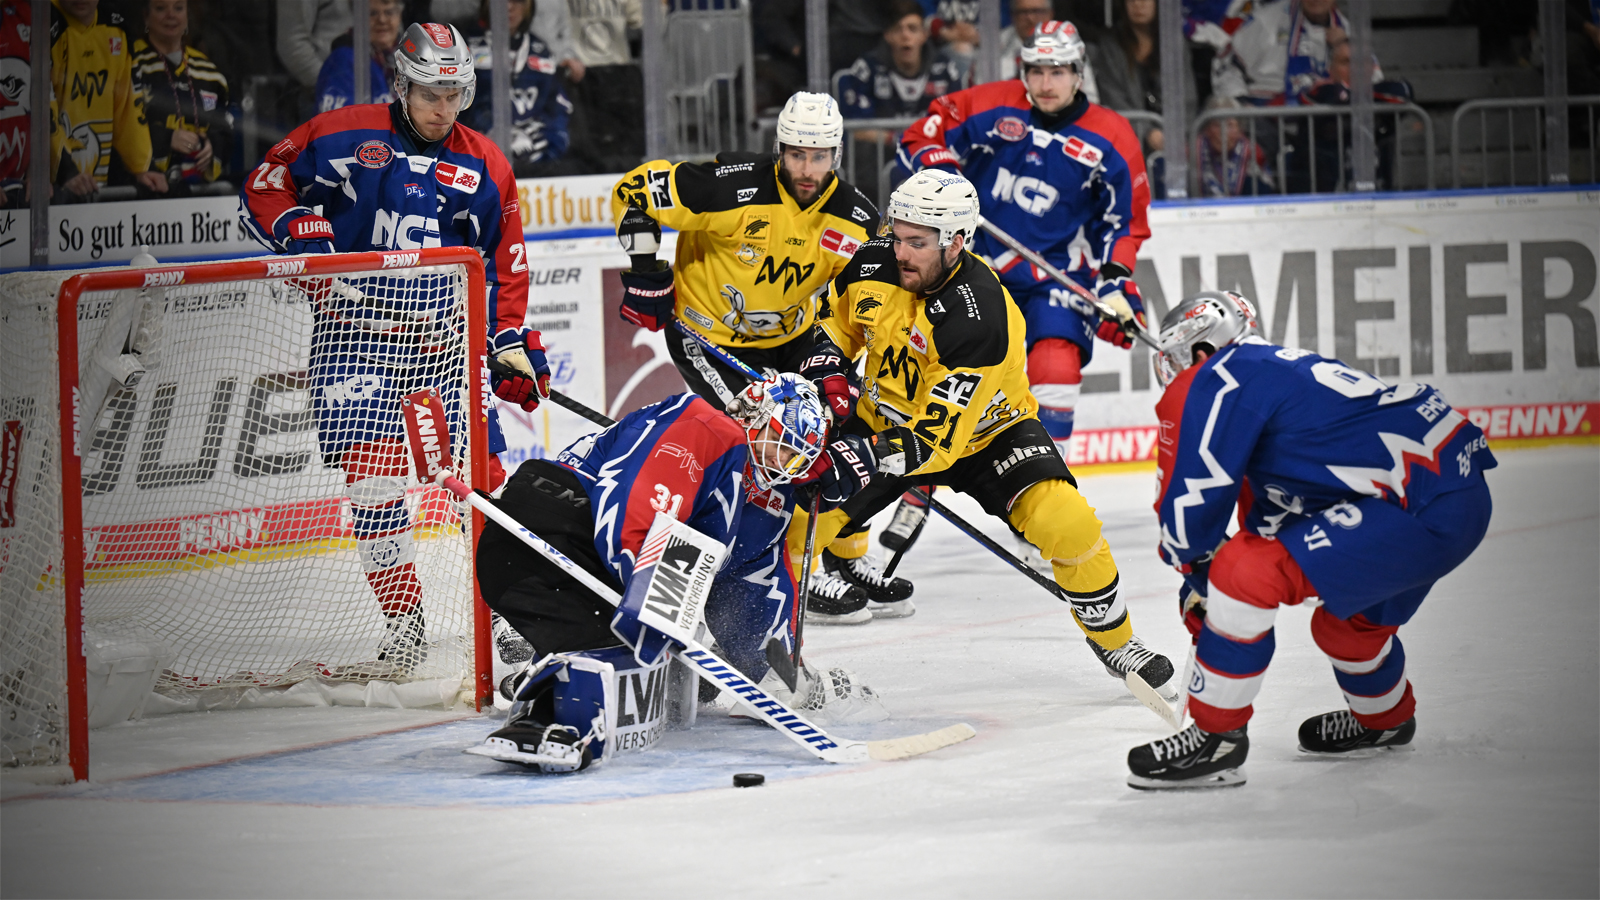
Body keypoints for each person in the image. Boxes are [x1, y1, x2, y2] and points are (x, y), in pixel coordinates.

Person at [797, 169, 1179, 703]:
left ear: (956, 242)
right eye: (896, 234)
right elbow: (837, 326)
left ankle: (1117, 641)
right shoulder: (874, 261)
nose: (899, 252)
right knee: (796, 522)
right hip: (886, 418)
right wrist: (830, 367)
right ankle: (764, 642)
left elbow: (933, 443)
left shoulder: (979, 317)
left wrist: (856, 456)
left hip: (986, 434)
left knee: (1065, 523)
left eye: (917, 242)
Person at [239, 21, 545, 674]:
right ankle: (403, 623)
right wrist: (300, 227)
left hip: (443, 347)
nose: (444, 109)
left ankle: (510, 616)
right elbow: (265, 182)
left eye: (456, 94)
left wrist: (511, 341)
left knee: (481, 485)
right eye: (432, 93)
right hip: (354, 340)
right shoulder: (342, 133)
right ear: (401, 85)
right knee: (375, 482)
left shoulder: (486, 163)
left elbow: (507, 266)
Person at [1125, 291, 1496, 789]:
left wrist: (1199, 573)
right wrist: (1210, 586)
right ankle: (1384, 721)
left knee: (1242, 572)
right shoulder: (1272, 372)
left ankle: (1218, 741)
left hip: (1416, 503)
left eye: (1174, 361)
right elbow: (1274, 511)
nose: (1172, 375)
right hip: (1447, 493)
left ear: (1199, 352)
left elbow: (1189, 496)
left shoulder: (1219, 377)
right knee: (1349, 628)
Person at [473, 376, 881, 772]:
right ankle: (550, 710)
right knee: (622, 654)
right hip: (546, 531)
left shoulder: (766, 508)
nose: (780, 465)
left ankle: (549, 681)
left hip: (593, 564)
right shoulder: (708, 425)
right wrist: (653, 600)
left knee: (652, 673)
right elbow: (629, 514)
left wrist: (781, 672)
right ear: (754, 414)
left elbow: (755, 596)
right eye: (778, 445)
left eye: (795, 459)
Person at [609, 91, 905, 624]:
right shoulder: (729, 186)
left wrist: (850, 357)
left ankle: (844, 557)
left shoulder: (858, 218)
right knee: (766, 440)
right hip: (710, 341)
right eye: (795, 154)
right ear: (779, 148)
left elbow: (869, 292)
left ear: (836, 155)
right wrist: (646, 269)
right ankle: (768, 575)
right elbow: (633, 190)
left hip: (793, 338)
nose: (807, 168)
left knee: (846, 426)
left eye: (818, 156)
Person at [894, 20, 1150, 566]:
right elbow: (922, 131)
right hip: (975, 267)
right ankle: (913, 494)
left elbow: (1124, 223)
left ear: (1079, 72)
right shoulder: (990, 104)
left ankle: (1035, 498)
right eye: (1036, 69)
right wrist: (939, 163)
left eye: (1058, 71)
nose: (1047, 81)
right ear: (1023, 71)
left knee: (1056, 367)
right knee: (946, 375)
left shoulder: (1113, 135)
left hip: (1055, 275)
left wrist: (1117, 280)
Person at [49, 0, 167, 201]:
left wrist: (143, 168)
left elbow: (128, 106)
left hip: (93, 186)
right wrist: (66, 172)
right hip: (47, 190)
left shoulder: (115, 29)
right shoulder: (42, 24)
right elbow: (38, 112)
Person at [461, 0, 577, 177]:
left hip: (537, 166)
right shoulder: (463, 48)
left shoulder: (540, 50)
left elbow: (557, 111)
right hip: (479, 162)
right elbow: (456, 109)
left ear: (528, 7)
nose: (508, 7)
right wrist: (486, 135)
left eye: (517, 1)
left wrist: (548, 146)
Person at [130, 0, 232, 193]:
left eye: (178, 8)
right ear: (146, 16)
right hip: (143, 192)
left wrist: (211, 145)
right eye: (161, 8)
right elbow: (121, 127)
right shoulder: (130, 62)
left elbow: (226, 129)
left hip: (199, 197)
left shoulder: (210, 72)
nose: (171, 15)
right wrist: (167, 138)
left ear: (187, 16)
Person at [1090, 0, 1194, 155]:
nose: (1138, 4)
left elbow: (1187, 95)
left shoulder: (1174, 42)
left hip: (1173, 143)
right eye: (1131, 0)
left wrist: (1175, 134)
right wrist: (1148, 133)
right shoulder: (1110, 45)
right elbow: (1113, 98)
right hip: (1126, 143)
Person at [837, 0, 967, 123]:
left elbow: (956, 122)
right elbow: (857, 128)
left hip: (931, 146)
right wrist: (898, 139)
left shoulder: (945, 69)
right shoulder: (867, 69)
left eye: (912, 29)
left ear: (924, 34)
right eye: (898, 29)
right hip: (884, 147)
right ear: (887, 35)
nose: (905, 36)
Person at [998, 0, 1098, 102]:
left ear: (1050, 13)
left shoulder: (1070, 44)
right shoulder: (993, 44)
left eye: (1037, 11)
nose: (1030, 18)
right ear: (1012, 15)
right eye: (1023, 12)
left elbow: (1090, 100)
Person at [315, 0, 403, 112]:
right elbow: (341, 124)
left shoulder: (407, 58)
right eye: (372, 13)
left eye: (389, 12)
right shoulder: (344, 61)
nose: (382, 20)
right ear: (358, 18)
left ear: (400, 15)